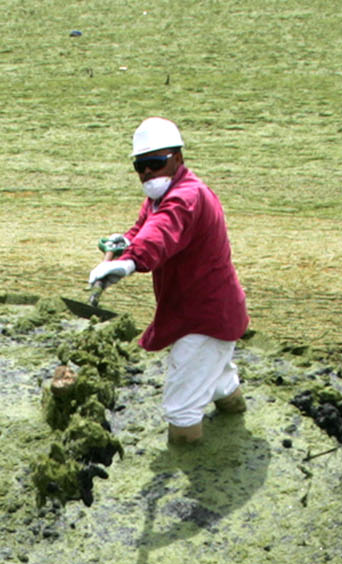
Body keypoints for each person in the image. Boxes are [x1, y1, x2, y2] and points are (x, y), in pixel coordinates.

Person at [86, 117, 249, 446]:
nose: (147, 173)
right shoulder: (162, 197)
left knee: (181, 409)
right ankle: (237, 423)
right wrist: (122, 247)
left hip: (204, 317)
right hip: (207, 309)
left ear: (177, 159)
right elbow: (144, 229)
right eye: (140, 166)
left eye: (155, 163)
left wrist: (131, 262)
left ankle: (193, 463)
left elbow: (159, 236)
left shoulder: (184, 198)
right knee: (218, 382)